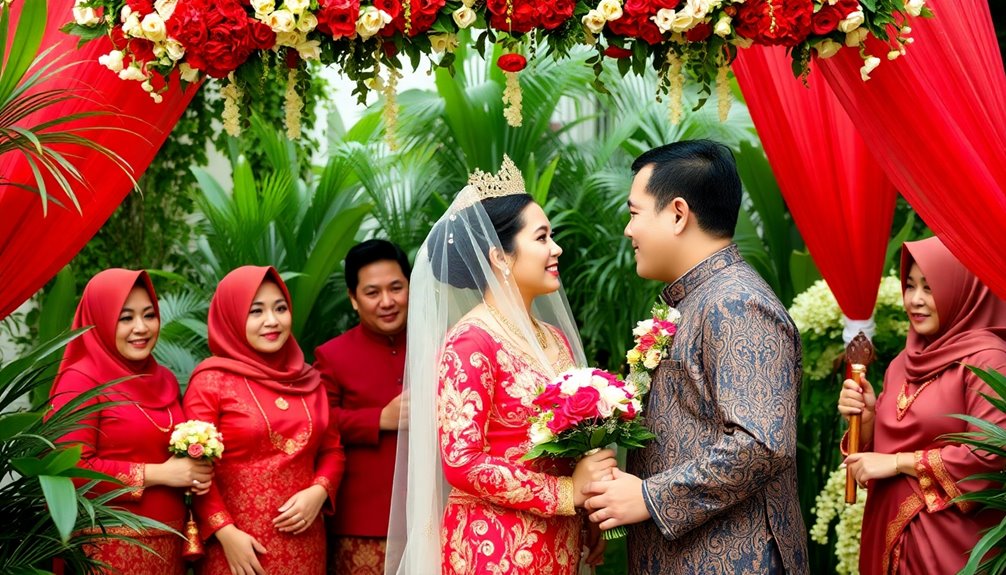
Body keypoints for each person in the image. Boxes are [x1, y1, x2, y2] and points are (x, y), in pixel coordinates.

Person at [583, 140, 808, 574]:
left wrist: (651, 497)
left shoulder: (737, 302)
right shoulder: (695, 300)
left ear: (678, 213)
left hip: (734, 559)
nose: (628, 230)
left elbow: (762, 442)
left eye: (634, 213)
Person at [385, 156, 616, 575]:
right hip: (494, 545)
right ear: (499, 256)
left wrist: (585, 513)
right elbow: (462, 460)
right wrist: (567, 492)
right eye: (542, 237)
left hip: (557, 540)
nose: (556, 248)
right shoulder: (470, 342)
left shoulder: (553, 337)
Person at [838, 236, 1006, 574]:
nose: (914, 300)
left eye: (930, 288)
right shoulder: (905, 361)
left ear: (961, 290)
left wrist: (897, 463)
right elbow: (880, 456)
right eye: (910, 285)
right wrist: (868, 420)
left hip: (951, 550)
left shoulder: (988, 360)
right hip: (890, 538)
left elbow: (992, 457)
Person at [49, 269, 213, 574]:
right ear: (101, 319)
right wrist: (160, 474)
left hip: (168, 548)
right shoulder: (81, 380)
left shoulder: (163, 377)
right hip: (108, 547)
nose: (141, 328)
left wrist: (195, 469)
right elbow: (67, 471)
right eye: (125, 318)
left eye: (149, 315)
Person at [184, 266, 345, 575]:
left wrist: (319, 491)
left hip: (305, 542)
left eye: (280, 308)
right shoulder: (211, 382)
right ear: (231, 317)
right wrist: (225, 532)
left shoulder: (309, 380)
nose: (272, 321)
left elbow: (332, 451)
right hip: (237, 548)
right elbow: (196, 469)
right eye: (255, 311)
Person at [313, 239, 411, 575]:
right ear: (354, 299)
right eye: (372, 292)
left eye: (396, 288)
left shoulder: (442, 343)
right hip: (364, 523)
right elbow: (316, 423)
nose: (387, 301)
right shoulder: (332, 355)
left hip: (434, 515)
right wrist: (379, 419)